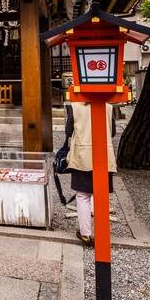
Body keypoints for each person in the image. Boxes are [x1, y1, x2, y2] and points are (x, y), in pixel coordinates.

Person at [64, 101, 117, 244]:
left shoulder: (74, 107)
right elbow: (112, 132)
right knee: (101, 195)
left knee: (82, 195)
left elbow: (68, 131)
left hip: (82, 154)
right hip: (104, 155)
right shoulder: (108, 107)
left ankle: (85, 234)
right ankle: (103, 235)